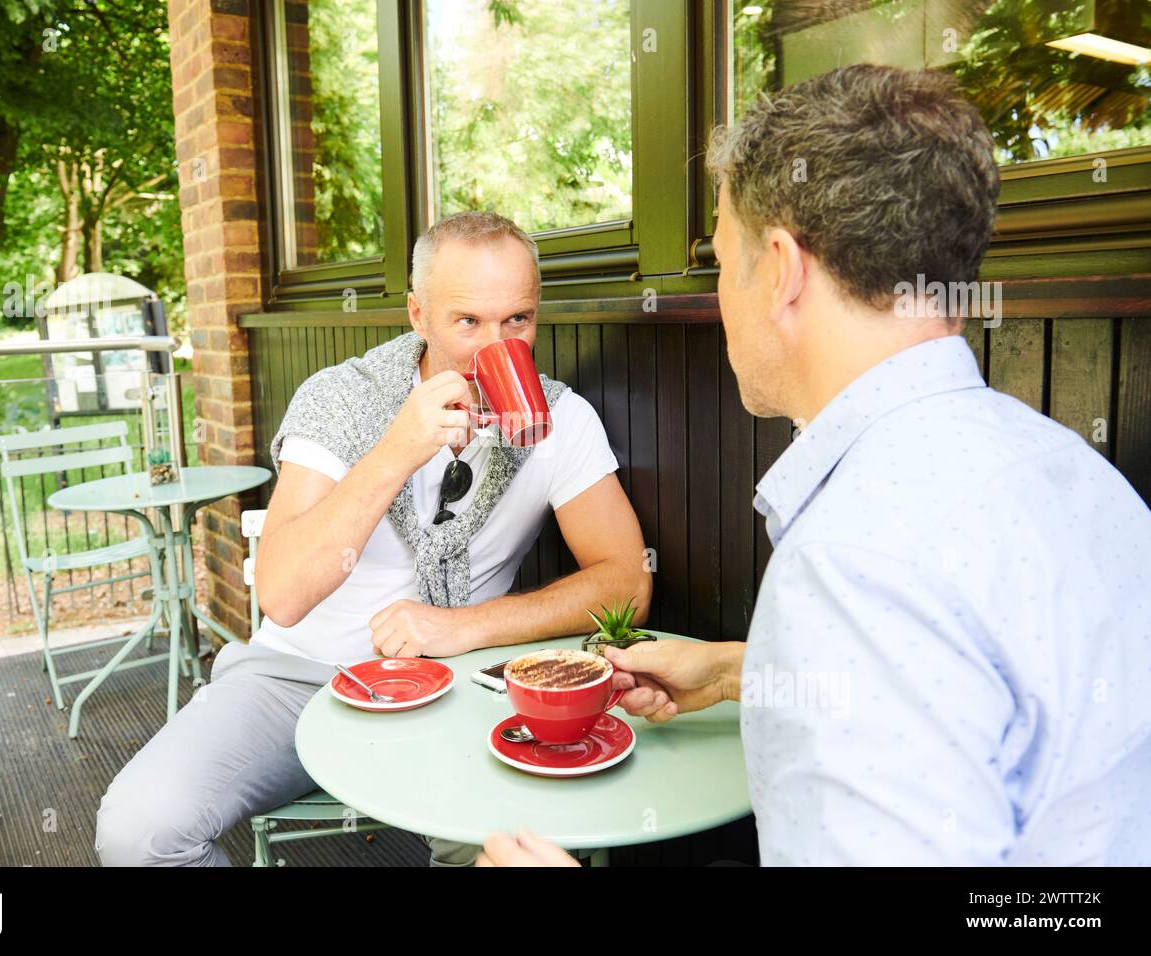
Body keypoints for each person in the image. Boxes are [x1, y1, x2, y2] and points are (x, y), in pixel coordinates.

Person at [480, 64, 1151, 866]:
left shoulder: (853, 569)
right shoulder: (1075, 472)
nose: (723, 291)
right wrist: (742, 672)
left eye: (724, 264)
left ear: (783, 270)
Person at [95, 211, 651, 866]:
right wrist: (393, 454)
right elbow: (282, 593)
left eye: (518, 321)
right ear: (418, 314)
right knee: (139, 831)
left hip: (459, 686)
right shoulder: (340, 398)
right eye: (467, 321)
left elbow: (626, 583)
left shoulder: (558, 417)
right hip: (297, 681)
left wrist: (462, 629)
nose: (496, 346)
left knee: (517, 854)